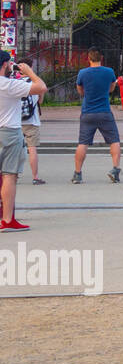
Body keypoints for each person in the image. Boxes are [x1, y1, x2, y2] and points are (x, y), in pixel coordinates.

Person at [0, 52, 47, 232]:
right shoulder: (9, 85)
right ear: (5, 64)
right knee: (9, 175)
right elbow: (41, 87)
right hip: (9, 131)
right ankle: (7, 220)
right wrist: (29, 72)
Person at [72, 48, 123, 184]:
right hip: (104, 111)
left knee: (83, 143)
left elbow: (80, 90)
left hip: (88, 112)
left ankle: (77, 174)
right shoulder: (109, 72)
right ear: (101, 58)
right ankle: (115, 170)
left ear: (88, 58)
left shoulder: (83, 73)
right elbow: (112, 88)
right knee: (114, 140)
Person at [20, 87, 42, 185]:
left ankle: (13, 175)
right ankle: (35, 177)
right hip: (32, 122)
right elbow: (40, 102)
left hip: (16, 122)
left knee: (14, 150)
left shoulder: (14, 82)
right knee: (32, 149)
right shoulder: (35, 84)